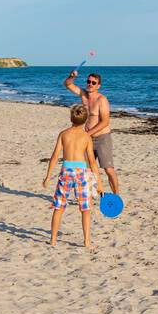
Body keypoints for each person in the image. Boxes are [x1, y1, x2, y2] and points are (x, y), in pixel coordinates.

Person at [42, 104, 102, 249]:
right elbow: (93, 162)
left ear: (71, 118)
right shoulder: (86, 137)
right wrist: (98, 183)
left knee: (59, 206)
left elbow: (55, 156)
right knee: (85, 208)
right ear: (86, 120)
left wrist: (48, 176)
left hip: (66, 171)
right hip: (81, 172)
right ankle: (87, 241)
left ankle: (53, 240)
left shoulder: (64, 134)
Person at [63, 69, 118, 195]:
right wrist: (71, 76)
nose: (90, 84)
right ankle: (90, 194)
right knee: (86, 169)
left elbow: (105, 122)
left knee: (108, 169)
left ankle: (116, 196)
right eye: (88, 81)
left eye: (93, 83)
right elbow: (68, 84)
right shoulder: (84, 95)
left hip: (102, 138)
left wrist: (87, 134)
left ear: (98, 86)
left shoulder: (102, 100)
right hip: (88, 139)